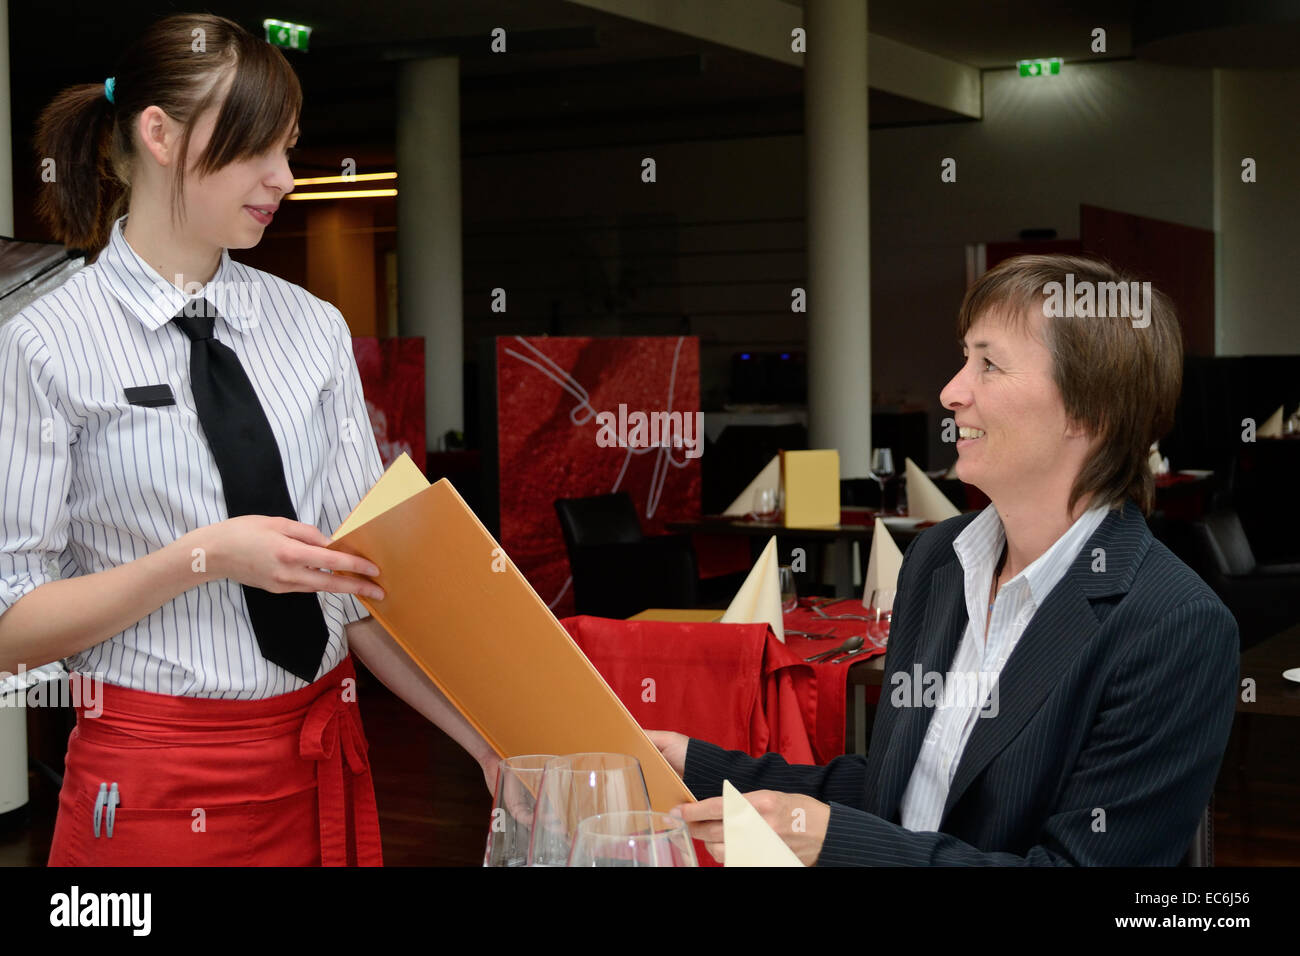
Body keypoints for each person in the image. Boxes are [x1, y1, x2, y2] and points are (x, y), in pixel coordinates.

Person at [0, 13, 498, 866]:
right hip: (150, 783)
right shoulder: (46, 342)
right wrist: (202, 558)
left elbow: (359, 587)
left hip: (318, 761)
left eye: (291, 148)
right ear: (158, 134)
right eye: (255, 150)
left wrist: (487, 744)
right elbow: (13, 623)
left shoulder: (312, 329)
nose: (285, 178)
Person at [650, 254, 1239, 866]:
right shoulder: (938, 560)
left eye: (989, 364)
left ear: (1091, 412)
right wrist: (693, 764)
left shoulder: (1174, 626)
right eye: (965, 360)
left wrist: (832, 841)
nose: (951, 391)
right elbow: (902, 794)